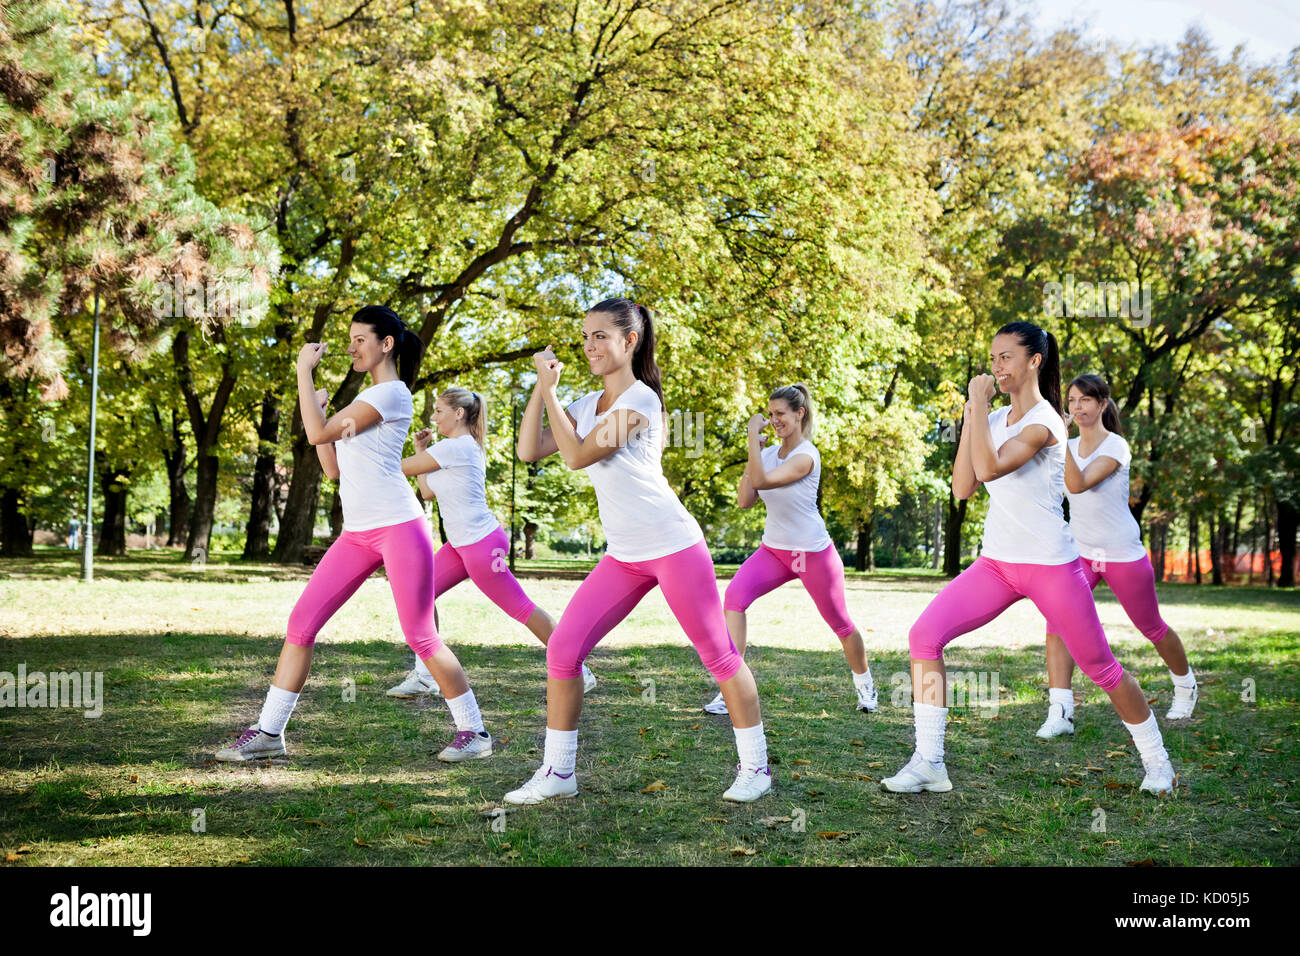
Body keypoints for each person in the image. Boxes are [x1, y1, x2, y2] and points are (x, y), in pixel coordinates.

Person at [882, 321, 1176, 795]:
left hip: (1050, 565)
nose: (996, 366)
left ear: (1033, 361)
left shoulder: (1046, 421)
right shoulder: (993, 419)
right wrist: (974, 417)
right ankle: (929, 760)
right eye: (993, 358)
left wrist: (977, 408)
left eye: (1006, 357)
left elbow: (991, 467)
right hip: (997, 564)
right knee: (924, 636)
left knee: (1101, 666)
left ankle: (1157, 760)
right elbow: (963, 486)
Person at [503, 297, 771, 805]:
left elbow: (579, 456)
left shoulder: (641, 401)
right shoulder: (583, 404)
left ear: (630, 341)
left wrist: (554, 393)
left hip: (672, 546)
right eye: (584, 337)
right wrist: (544, 391)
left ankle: (756, 767)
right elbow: (529, 449)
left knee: (718, 655)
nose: (588, 346)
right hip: (624, 555)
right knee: (562, 649)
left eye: (600, 336)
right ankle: (559, 773)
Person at [215, 306, 493, 764]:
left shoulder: (392, 394)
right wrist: (321, 411)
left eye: (360, 338)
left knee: (421, 635)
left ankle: (474, 732)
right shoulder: (363, 402)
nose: (350, 347)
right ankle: (268, 732)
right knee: (301, 626)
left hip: (399, 527)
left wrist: (304, 373)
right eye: (350, 339)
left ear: (386, 344)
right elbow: (330, 466)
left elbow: (316, 431)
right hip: (357, 533)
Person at [386, 386, 594, 697]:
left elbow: (397, 469)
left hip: (482, 546)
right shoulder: (452, 447)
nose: (434, 417)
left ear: (459, 414)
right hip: (460, 545)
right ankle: (426, 674)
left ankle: (580, 670)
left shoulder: (456, 448)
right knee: (420, 594)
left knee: (522, 608)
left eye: (439, 411)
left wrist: (372, 451)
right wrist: (420, 449)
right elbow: (427, 491)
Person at [1036, 373, 1196, 738]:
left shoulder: (1116, 446)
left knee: (1151, 626)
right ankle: (1060, 710)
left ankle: (1185, 685)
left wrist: (1059, 442)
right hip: (1079, 552)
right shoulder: (1068, 445)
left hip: (1122, 551)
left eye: (1085, 400)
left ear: (1103, 404)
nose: (1076, 408)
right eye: (1072, 401)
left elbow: (1077, 484)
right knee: (1057, 623)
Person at [702, 383, 877, 715]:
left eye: (780, 413)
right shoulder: (766, 456)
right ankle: (731, 689)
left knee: (840, 623)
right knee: (734, 599)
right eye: (770, 414)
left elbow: (764, 482)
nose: (774, 420)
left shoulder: (807, 456)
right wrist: (755, 453)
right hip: (775, 551)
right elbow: (745, 500)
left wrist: (753, 441)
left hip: (812, 553)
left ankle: (866, 686)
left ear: (800, 414)